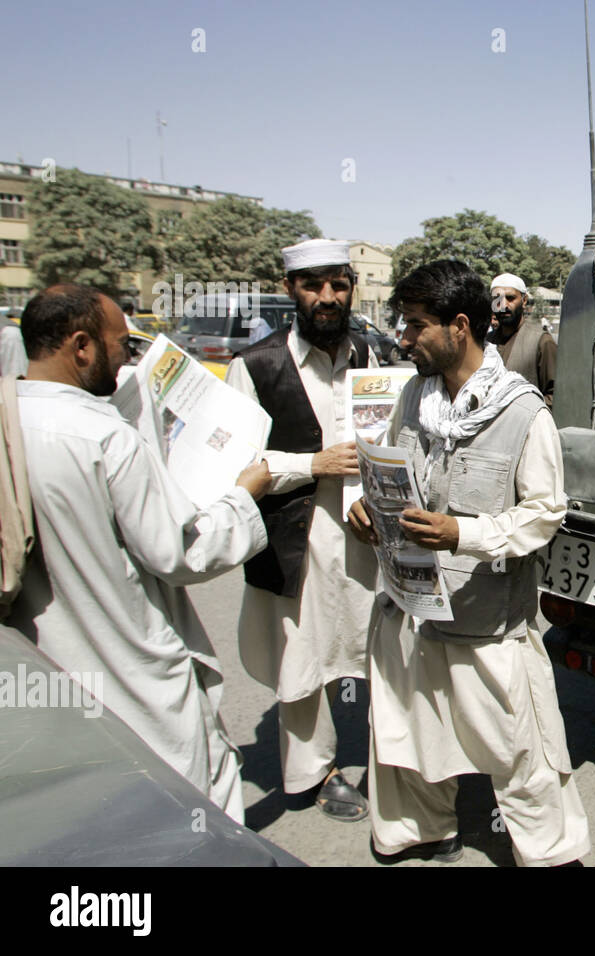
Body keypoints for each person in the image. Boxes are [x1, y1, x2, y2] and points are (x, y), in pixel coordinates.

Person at [348, 260, 589, 866]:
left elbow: (544, 514)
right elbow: (398, 478)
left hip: (486, 622)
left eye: (414, 325)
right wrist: (367, 509)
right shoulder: (414, 396)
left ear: (460, 326)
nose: (403, 338)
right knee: (409, 735)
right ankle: (419, 832)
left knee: (520, 752)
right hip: (411, 608)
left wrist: (465, 534)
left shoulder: (523, 412)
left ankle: (550, 853)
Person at [8, 284, 271, 821]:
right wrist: (246, 496)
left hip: (43, 669)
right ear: (81, 347)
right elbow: (178, 551)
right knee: (187, 802)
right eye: (121, 344)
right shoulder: (105, 438)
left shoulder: (11, 421)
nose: (128, 358)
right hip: (131, 668)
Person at [224, 239, 378, 822]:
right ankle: (314, 770)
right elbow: (236, 466)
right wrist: (310, 465)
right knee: (302, 657)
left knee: (381, 647)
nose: (327, 297)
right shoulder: (255, 366)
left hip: (366, 537)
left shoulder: (374, 354)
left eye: (338, 284)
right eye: (313, 285)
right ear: (290, 288)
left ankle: (394, 761)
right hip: (297, 539)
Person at [487, 273, 557, 407]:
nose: (503, 305)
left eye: (510, 298)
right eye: (497, 299)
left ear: (524, 300)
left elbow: (555, 395)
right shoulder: (486, 342)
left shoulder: (541, 341)